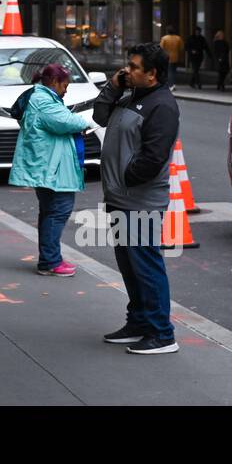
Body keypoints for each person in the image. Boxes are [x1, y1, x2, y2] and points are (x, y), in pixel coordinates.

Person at [92, 43, 181, 354]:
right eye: (126, 65)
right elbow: (100, 116)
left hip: (140, 201)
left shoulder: (162, 106)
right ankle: (139, 321)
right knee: (129, 266)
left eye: (133, 66)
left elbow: (154, 158)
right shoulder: (132, 97)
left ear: (152, 74)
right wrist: (112, 87)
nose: (126, 70)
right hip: (120, 197)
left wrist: (125, 178)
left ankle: (162, 333)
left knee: (145, 265)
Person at [8, 63, 91, 278]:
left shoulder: (40, 97)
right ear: (54, 82)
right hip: (51, 168)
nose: (66, 90)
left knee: (49, 211)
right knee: (59, 210)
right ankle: (50, 261)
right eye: (65, 85)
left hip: (47, 165)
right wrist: (83, 122)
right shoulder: (43, 100)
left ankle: (49, 259)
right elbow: (68, 121)